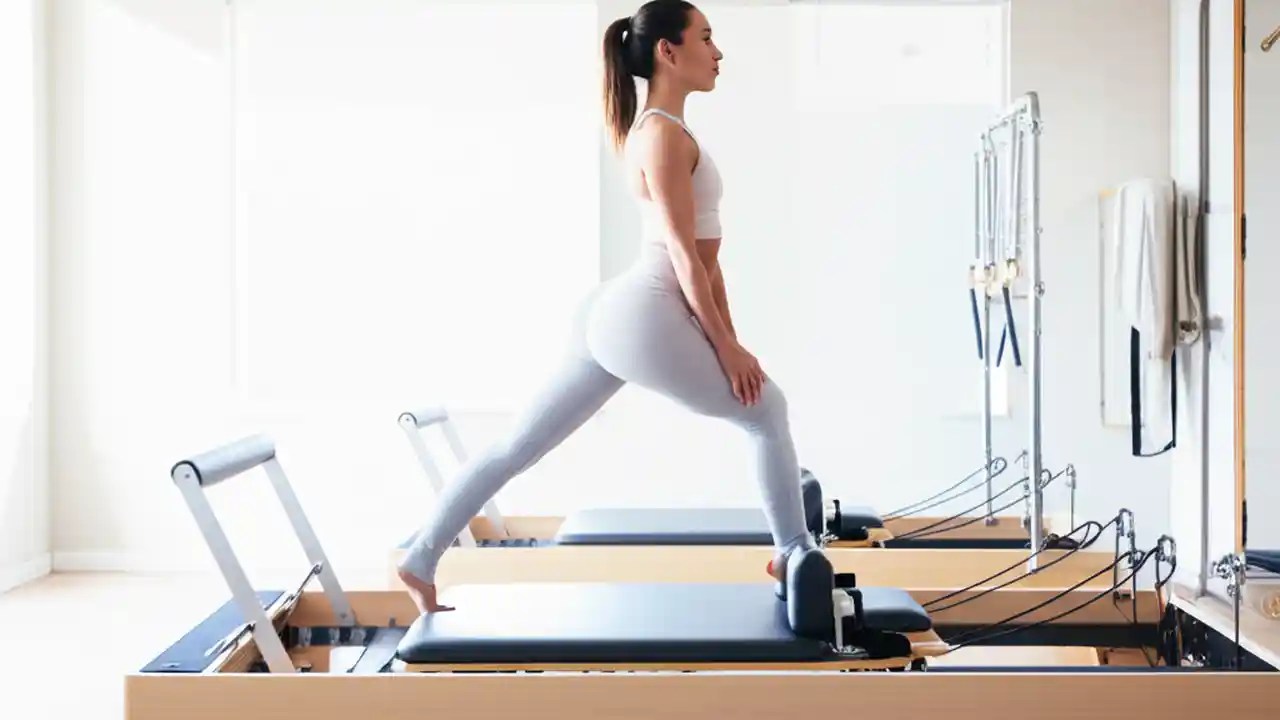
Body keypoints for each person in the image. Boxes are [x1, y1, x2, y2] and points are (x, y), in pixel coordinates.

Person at [396, 0, 814, 614]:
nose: (718, 52)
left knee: (518, 446)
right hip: (646, 314)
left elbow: (706, 260)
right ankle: (795, 551)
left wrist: (732, 340)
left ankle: (419, 557)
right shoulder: (663, 135)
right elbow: (684, 254)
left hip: (624, 314)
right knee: (766, 410)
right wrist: (725, 346)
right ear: (668, 51)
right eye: (705, 38)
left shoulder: (665, 131)